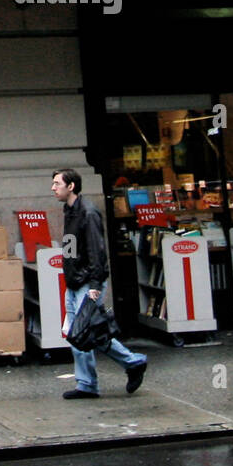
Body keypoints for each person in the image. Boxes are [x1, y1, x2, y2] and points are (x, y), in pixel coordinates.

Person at [52, 168, 147, 399]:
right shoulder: (70, 211)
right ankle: (128, 365)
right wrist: (70, 273)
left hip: (86, 283)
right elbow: (72, 246)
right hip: (76, 281)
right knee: (83, 333)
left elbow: (97, 251)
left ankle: (91, 382)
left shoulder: (88, 213)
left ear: (71, 186)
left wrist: (94, 284)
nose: (53, 188)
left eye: (57, 184)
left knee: (82, 333)